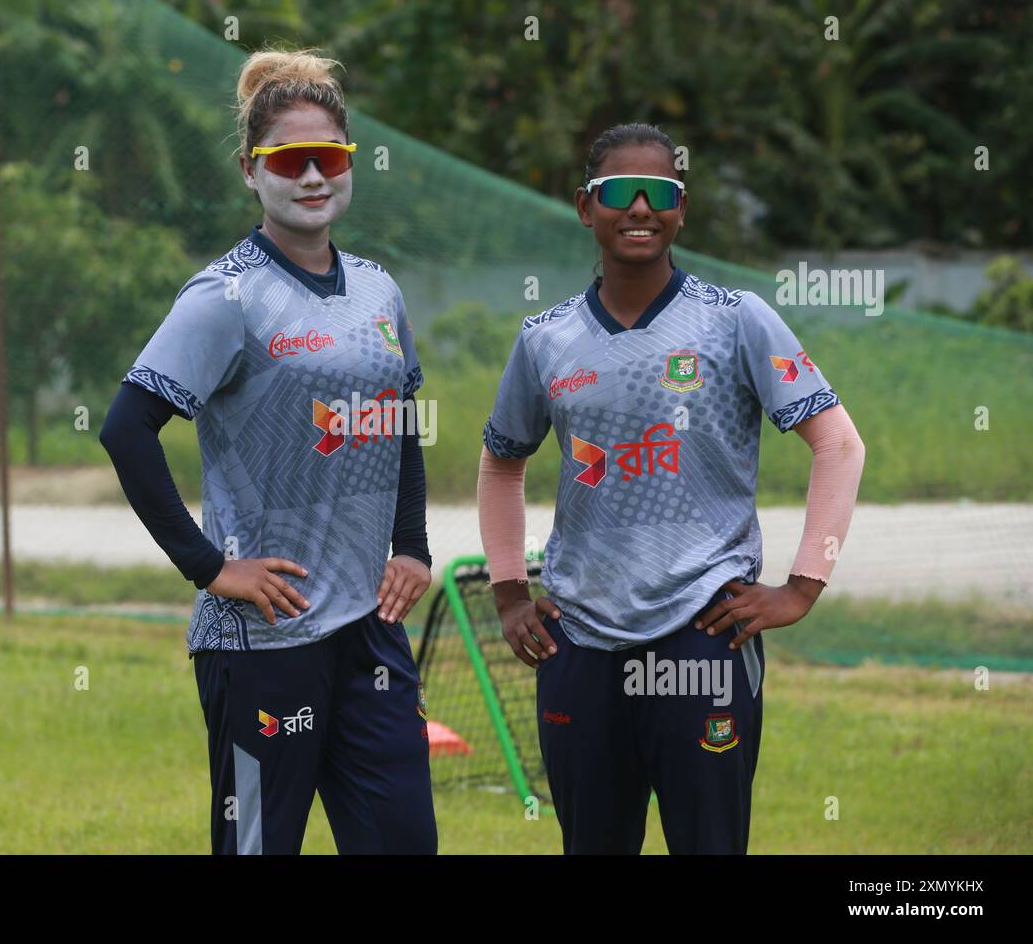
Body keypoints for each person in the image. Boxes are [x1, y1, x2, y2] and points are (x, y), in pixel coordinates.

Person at [477, 122, 866, 854]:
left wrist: (802, 587)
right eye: (620, 192)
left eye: (662, 193)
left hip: (703, 636)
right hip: (579, 647)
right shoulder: (546, 339)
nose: (641, 208)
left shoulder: (736, 321)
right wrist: (507, 593)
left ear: (682, 210)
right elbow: (502, 462)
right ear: (585, 207)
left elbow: (839, 445)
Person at [99, 48, 436, 855]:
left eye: (330, 158)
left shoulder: (379, 290)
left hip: (371, 631)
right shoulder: (226, 296)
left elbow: (400, 420)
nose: (313, 177)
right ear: (253, 170)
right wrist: (211, 567)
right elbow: (126, 428)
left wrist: (413, 547)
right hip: (264, 637)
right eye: (290, 160)